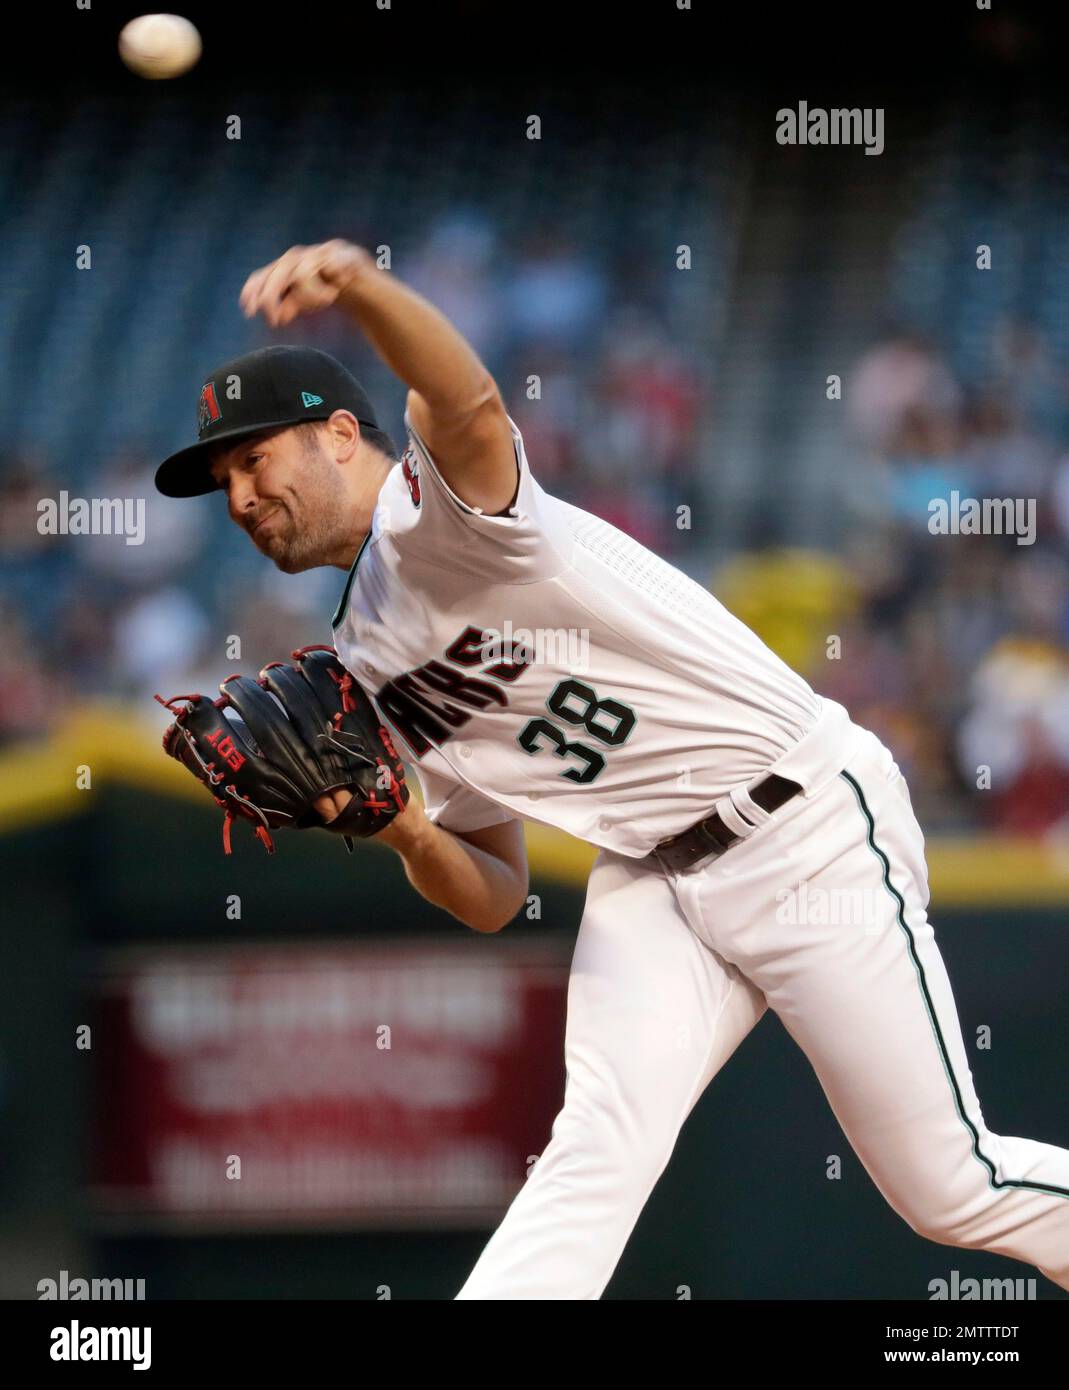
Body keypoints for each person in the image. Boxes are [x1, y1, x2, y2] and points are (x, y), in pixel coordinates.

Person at [155, 240, 1069, 1300]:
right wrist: (407, 830)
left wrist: (359, 287)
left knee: (947, 1184)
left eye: (252, 460)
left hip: (801, 822)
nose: (236, 496)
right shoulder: (361, 659)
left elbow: (469, 400)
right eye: (222, 478)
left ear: (342, 434)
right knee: (595, 1143)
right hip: (650, 875)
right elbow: (494, 892)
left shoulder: (438, 511)